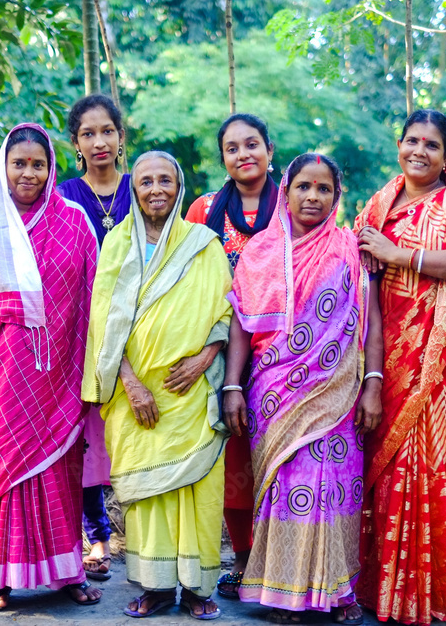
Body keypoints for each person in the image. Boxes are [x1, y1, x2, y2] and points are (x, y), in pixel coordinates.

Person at [223, 153, 383, 625]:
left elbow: (371, 323)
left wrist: (372, 383)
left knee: (335, 487)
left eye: (324, 189)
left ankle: (335, 588)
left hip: (337, 391)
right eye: (303, 188)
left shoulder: (351, 249)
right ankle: (281, 592)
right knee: (285, 486)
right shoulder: (259, 252)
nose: (313, 197)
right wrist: (232, 385)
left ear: (336, 196)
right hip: (274, 390)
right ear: (286, 192)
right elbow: (240, 325)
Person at [0, 123, 101, 612]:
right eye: (20, 164)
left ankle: (67, 572)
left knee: (61, 469)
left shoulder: (75, 221)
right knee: (2, 470)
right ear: (4, 167)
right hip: (0, 373)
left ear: (52, 167)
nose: (29, 173)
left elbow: (94, 301)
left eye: (38, 164)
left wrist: (96, 372)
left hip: (60, 373)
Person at [354, 109, 446, 625]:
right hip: (387, 359)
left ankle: (440, 593)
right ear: (399, 144)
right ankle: (384, 589)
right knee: (389, 469)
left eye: (432, 145)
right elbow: (362, 284)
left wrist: (402, 255)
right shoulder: (377, 204)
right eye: (411, 140)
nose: (419, 151)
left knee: (443, 468)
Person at [82, 151, 232, 620]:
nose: (155, 189)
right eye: (146, 181)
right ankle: (155, 587)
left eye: (165, 180)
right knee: (148, 494)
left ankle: (197, 590)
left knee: (197, 491)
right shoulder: (116, 244)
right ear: (134, 188)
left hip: (191, 392)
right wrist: (130, 382)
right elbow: (103, 323)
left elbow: (227, 311)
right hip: (136, 397)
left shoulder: (204, 244)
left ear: (178, 185)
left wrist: (203, 359)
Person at [185, 113, 278, 599]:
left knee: (281, 462)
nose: (244, 154)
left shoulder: (292, 201)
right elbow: (182, 275)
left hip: (286, 354)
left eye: (252, 144)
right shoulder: (204, 210)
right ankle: (243, 562)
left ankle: (280, 560)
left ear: (269, 150)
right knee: (234, 462)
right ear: (222, 157)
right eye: (232, 148)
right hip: (220, 351)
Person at [58, 94, 131, 582]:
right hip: (80, 334)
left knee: (134, 434)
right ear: (76, 143)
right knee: (85, 441)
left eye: (107, 131)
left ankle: (151, 542)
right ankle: (97, 536)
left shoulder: (144, 184)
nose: (99, 141)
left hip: (141, 332)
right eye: (89, 133)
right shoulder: (63, 194)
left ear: (121, 137)